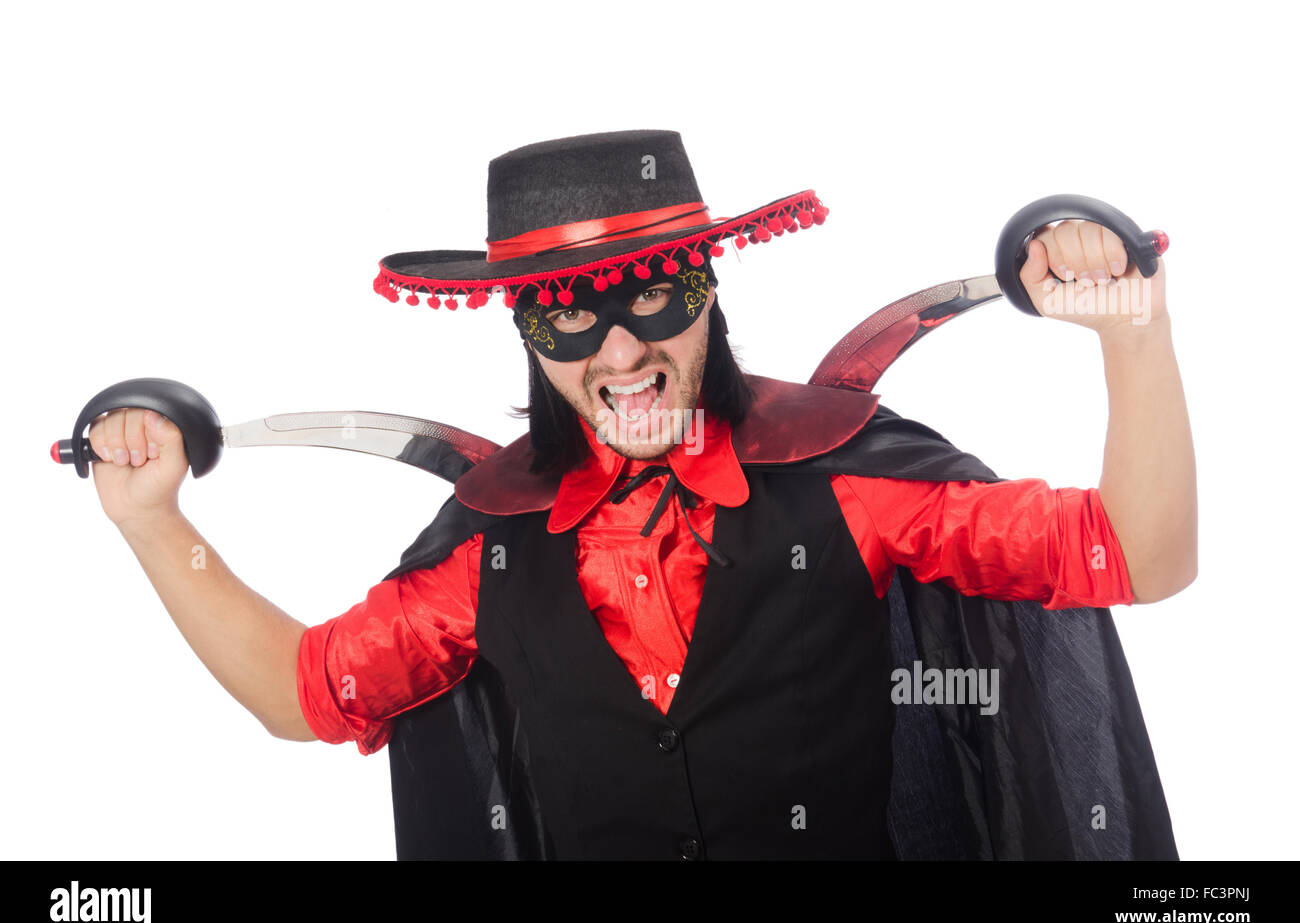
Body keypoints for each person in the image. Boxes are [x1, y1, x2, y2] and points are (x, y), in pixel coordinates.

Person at [89, 130, 1195, 860]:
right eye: (568, 311)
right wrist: (152, 523)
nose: (621, 349)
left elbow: (1136, 557)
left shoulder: (849, 476)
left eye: (657, 296)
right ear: (526, 331)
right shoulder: (493, 545)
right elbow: (302, 694)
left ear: (708, 295)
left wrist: (1132, 335)